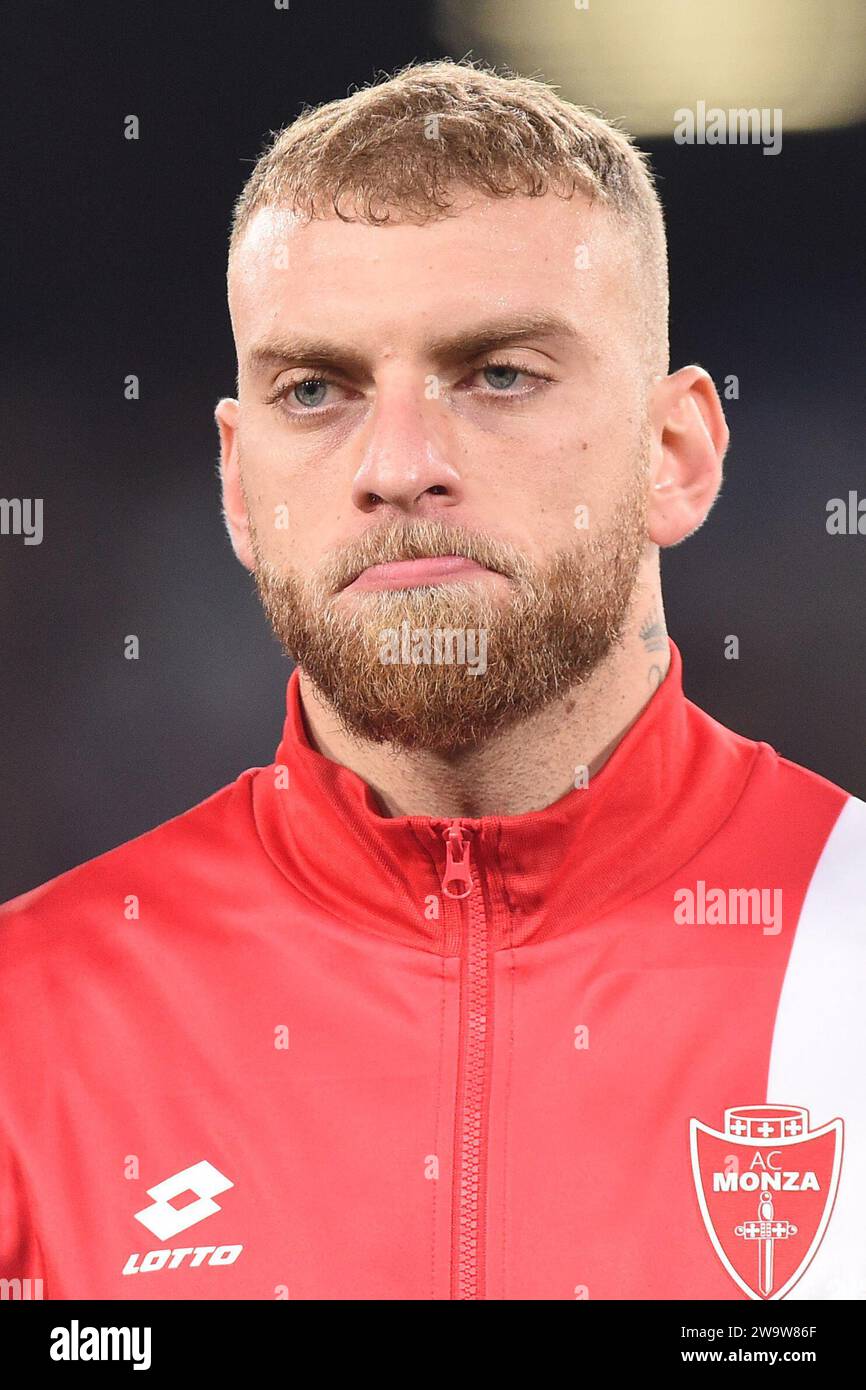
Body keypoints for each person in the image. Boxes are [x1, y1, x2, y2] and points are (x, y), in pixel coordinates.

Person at [1, 59, 863, 1303]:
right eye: (315, 390)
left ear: (672, 453)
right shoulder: (33, 1030)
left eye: (497, 373)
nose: (397, 466)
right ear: (240, 487)